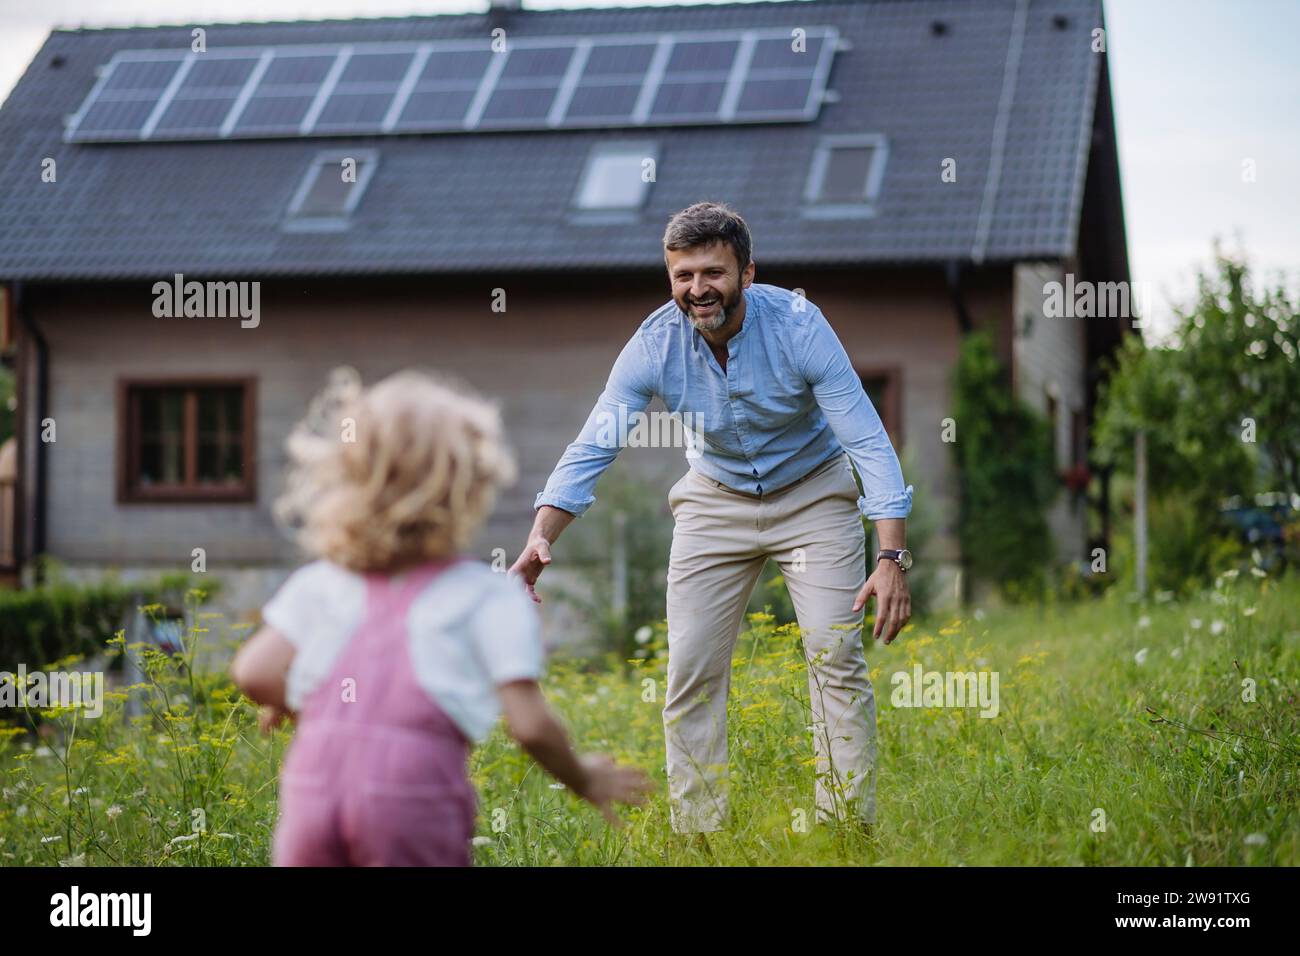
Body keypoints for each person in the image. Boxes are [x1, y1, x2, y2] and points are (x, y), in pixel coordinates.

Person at [510, 201, 914, 837]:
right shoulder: (653, 344)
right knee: (690, 670)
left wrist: (891, 556)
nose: (698, 290)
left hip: (812, 496)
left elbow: (866, 440)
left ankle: (845, 832)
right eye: (682, 276)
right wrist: (540, 535)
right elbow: (596, 442)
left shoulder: (801, 327)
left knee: (835, 657)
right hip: (714, 498)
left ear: (747, 273)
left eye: (712, 273)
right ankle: (698, 835)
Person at [230, 367, 652, 866]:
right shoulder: (487, 597)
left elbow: (253, 672)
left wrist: (304, 703)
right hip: (413, 797)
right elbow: (531, 726)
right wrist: (582, 776)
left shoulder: (323, 581)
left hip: (312, 789)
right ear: (470, 487)